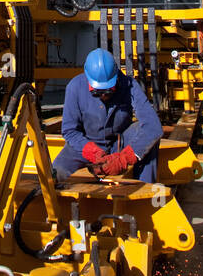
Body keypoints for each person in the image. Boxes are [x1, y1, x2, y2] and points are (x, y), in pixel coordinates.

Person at [53, 48, 163, 185]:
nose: (104, 96)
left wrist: (125, 158)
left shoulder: (129, 86)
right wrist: (93, 153)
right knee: (54, 174)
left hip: (119, 143)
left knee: (148, 140)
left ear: (116, 78)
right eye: (98, 93)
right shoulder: (75, 87)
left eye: (108, 91)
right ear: (88, 80)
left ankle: (145, 189)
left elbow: (153, 127)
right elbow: (70, 131)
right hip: (86, 145)